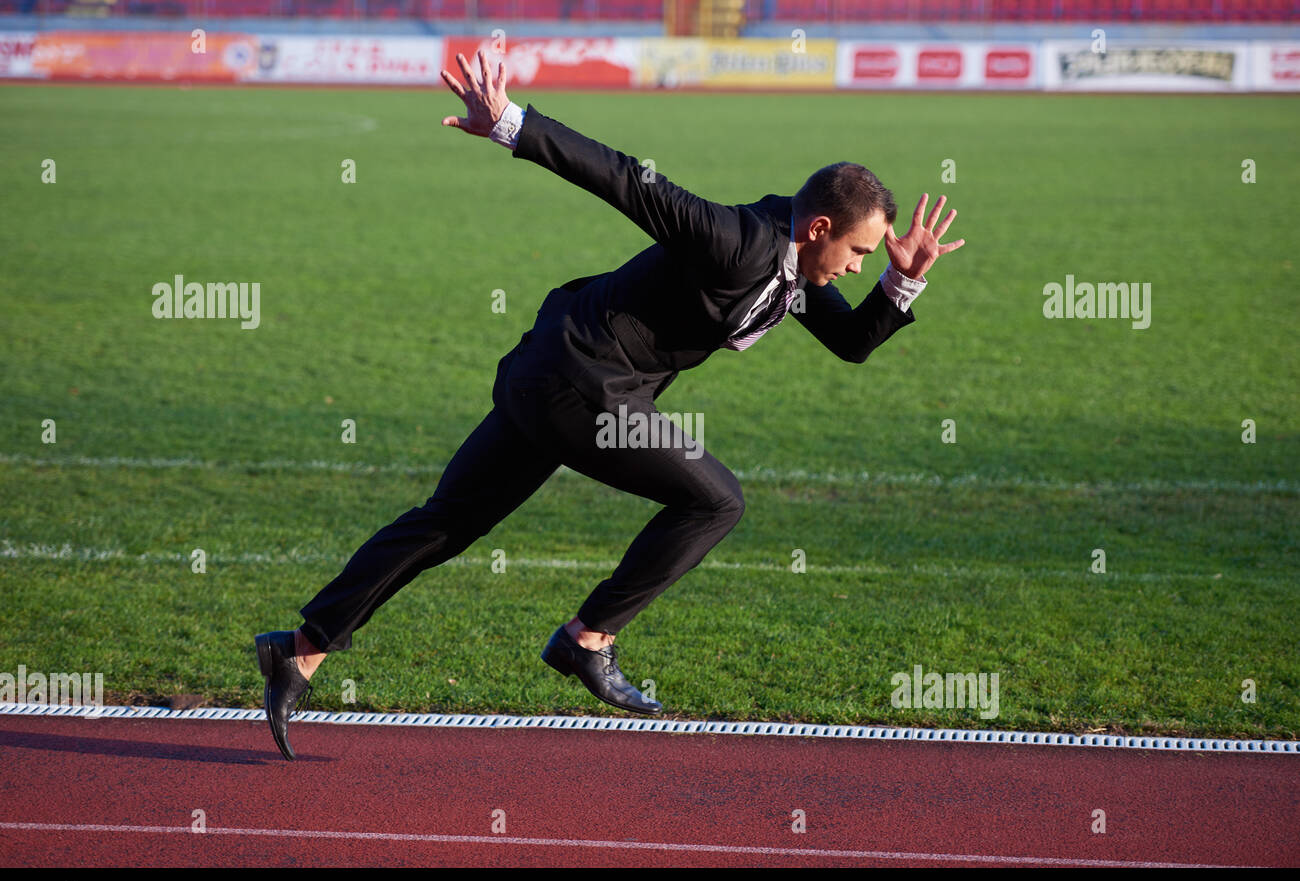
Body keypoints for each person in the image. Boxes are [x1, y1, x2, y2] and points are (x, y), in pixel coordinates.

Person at [255, 51, 964, 760]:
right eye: (861, 251)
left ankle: (302, 649)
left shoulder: (798, 272)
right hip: (581, 384)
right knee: (717, 501)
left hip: (547, 373)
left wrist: (901, 285)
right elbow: (628, 180)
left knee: (447, 523)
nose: (859, 264)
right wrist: (511, 123)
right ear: (817, 230)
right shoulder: (734, 240)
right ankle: (587, 638)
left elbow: (850, 341)